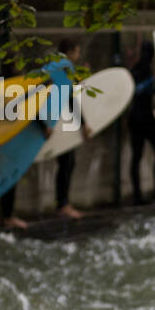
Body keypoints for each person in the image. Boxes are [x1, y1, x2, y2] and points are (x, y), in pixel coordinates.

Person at [53, 38, 86, 218]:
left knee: (66, 163)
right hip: (62, 121)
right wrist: (83, 124)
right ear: (71, 51)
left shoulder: (55, 66)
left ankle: (63, 203)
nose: (78, 56)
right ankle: (63, 205)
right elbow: (71, 99)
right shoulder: (65, 68)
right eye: (77, 51)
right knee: (67, 163)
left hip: (58, 120)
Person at [128, 41, 155, 205]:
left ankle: (152, 191)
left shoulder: (139, 67)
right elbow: (137, 90)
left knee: (140, 155)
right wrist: (153, 80)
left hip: (141, 116)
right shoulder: (143, 69)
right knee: (141, 155)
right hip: (141, 117)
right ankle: (139, 195)